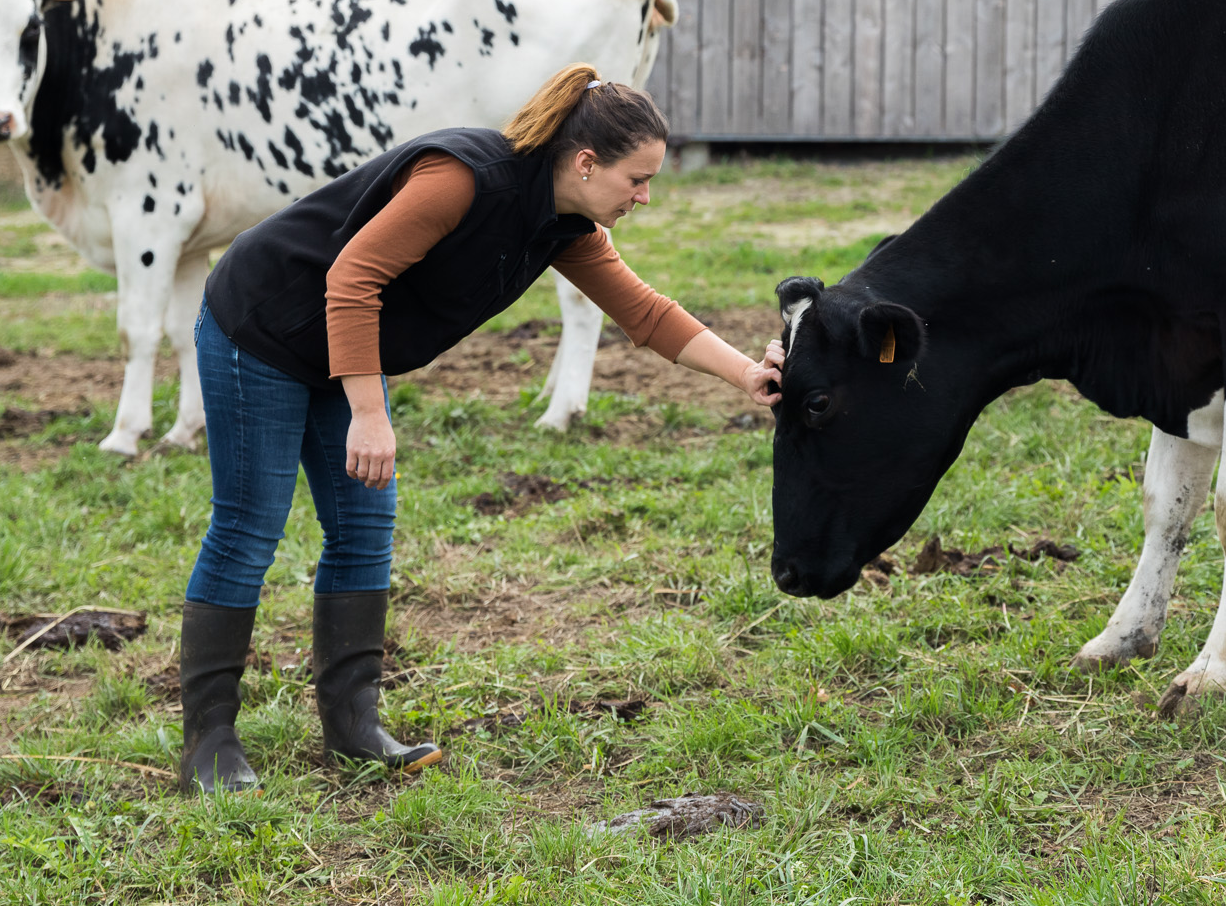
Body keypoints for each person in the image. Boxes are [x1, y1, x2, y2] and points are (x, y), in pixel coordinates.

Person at [175, 64, 784, 793]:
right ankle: (209, 740)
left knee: (365, 527)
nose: (645, 196)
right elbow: (353, 277)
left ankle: (353, 725)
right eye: (638, 178)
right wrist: (369, 412)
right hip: (262, 326)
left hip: (339, 347)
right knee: (250, 529)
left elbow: (645, 313)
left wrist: (747, 372)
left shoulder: (563, 225)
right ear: (586, 163)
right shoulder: (463, 178)